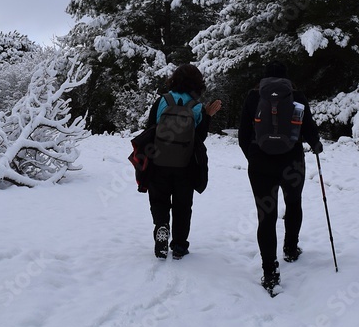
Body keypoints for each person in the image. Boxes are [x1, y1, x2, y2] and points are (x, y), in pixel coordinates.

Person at [239, 61, 323, 292]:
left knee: (266, 216)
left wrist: (253, 157)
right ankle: (291, 249)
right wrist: (315, 145)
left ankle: (269, 271)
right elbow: (309, 129)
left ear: (264, 78)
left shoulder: (253, 97)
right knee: (294, 203)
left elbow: (243, 134)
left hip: (260, 164)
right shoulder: (297, 96)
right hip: (292, 162)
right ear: (286, 78)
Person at [131, 63, 221, 260]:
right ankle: (179, 246)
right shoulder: (196, 107)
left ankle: (161, 226)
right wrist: (206, 116)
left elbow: (150, 129)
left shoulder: (162, 101)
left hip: (159, 162)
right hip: (185, 165)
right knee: (182, 206)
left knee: (159, 200)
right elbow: (199, 138)